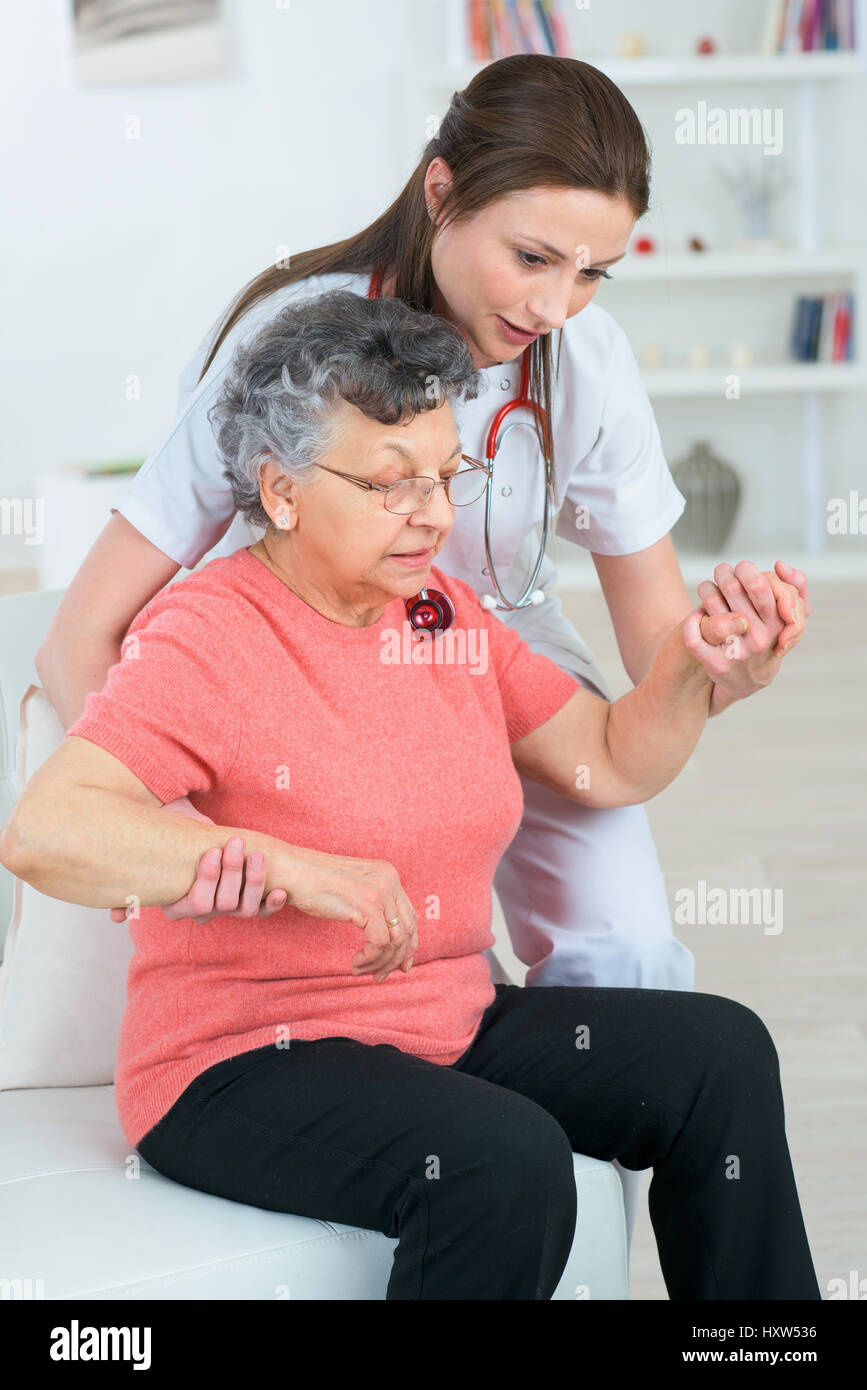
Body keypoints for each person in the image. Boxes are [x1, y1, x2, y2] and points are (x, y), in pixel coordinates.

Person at [32, 54, 810, 1242]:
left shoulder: (546, 430)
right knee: (499, 1157)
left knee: (652, 979)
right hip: (295, 706)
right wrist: (195, 845)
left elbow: (630, 730)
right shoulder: (271, 420)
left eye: (594, 272)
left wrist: (709, 666)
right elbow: (78, 675)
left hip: (482, 647)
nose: (556, 307)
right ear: (441, 192)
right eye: (533, 258)